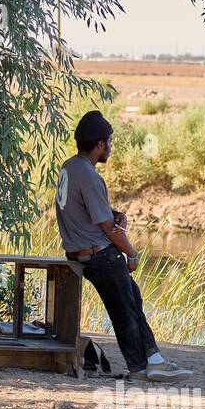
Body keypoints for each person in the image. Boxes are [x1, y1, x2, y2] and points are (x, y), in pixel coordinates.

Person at [54, 110, 193, 382]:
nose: (110, 147)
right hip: (97, 255)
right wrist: (131, 252)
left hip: (79, 251)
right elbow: (109, 229)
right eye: (109, 142)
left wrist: (112, 213)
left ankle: (152, 360)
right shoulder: (91, 176)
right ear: (99, 145)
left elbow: (83, 210)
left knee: (131, 299)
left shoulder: (69, 167)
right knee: (125, 308)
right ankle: (142, 367)